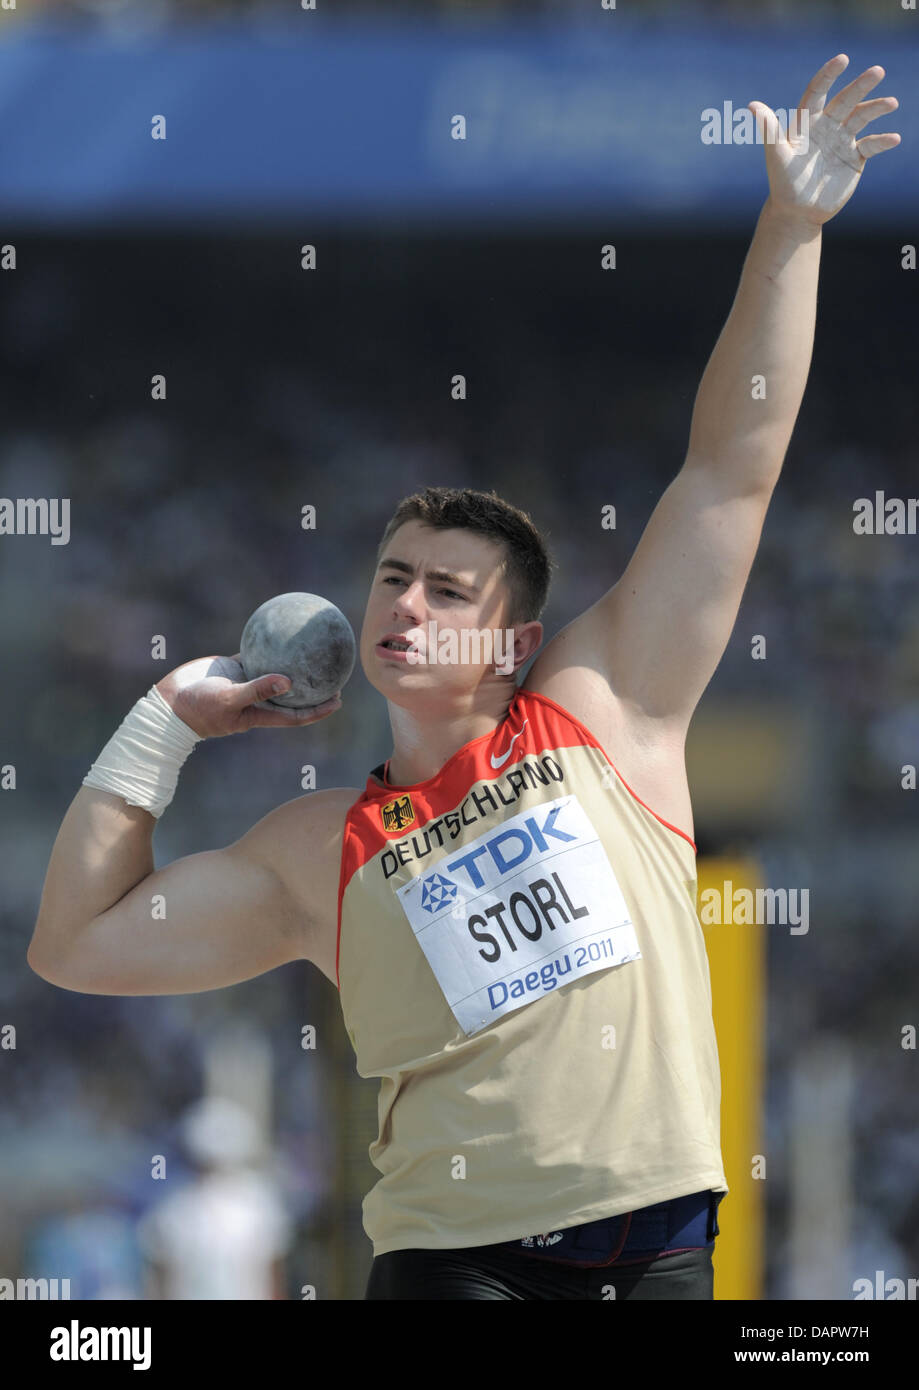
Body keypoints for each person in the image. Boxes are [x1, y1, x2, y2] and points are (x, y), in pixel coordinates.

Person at [28, 55, 899, 1300]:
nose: (403, 601)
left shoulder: (607, 707)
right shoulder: (316, 847)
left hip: (652, 1255)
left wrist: (789, 230)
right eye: (391, 577)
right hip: (450, 1266)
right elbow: (75, 946)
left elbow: (729, 471)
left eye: (447, 588)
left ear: (513, 642)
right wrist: (161, 722)